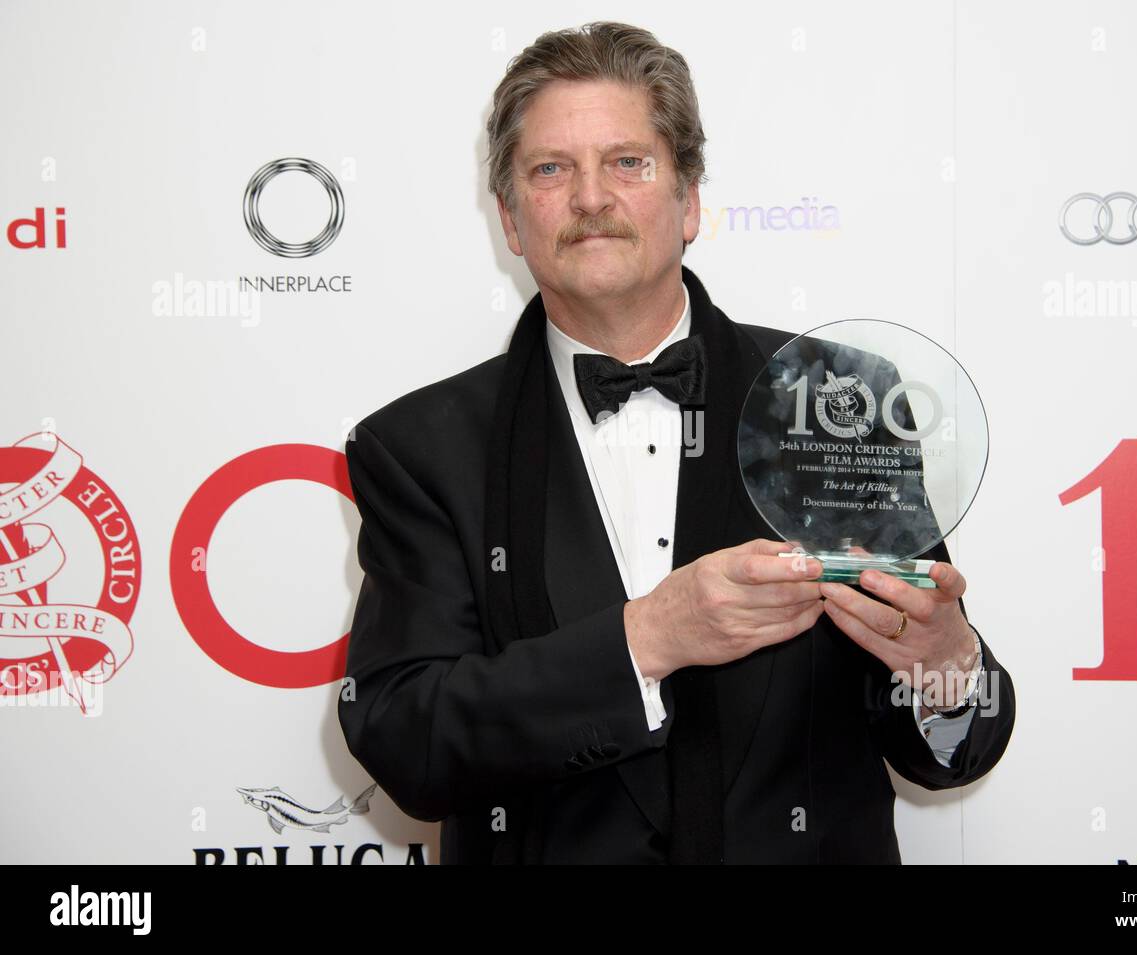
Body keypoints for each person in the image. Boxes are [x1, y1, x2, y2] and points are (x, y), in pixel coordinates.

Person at [337, 21, 1015, 864]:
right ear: (511, 218)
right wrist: (646, 638)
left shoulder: (839, 400)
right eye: (552, 169)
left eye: (629, 162)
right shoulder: (418, 449)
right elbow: (405, 734)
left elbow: (948, 743)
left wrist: (945, 664)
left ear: (689, 200)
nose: (591, 197)